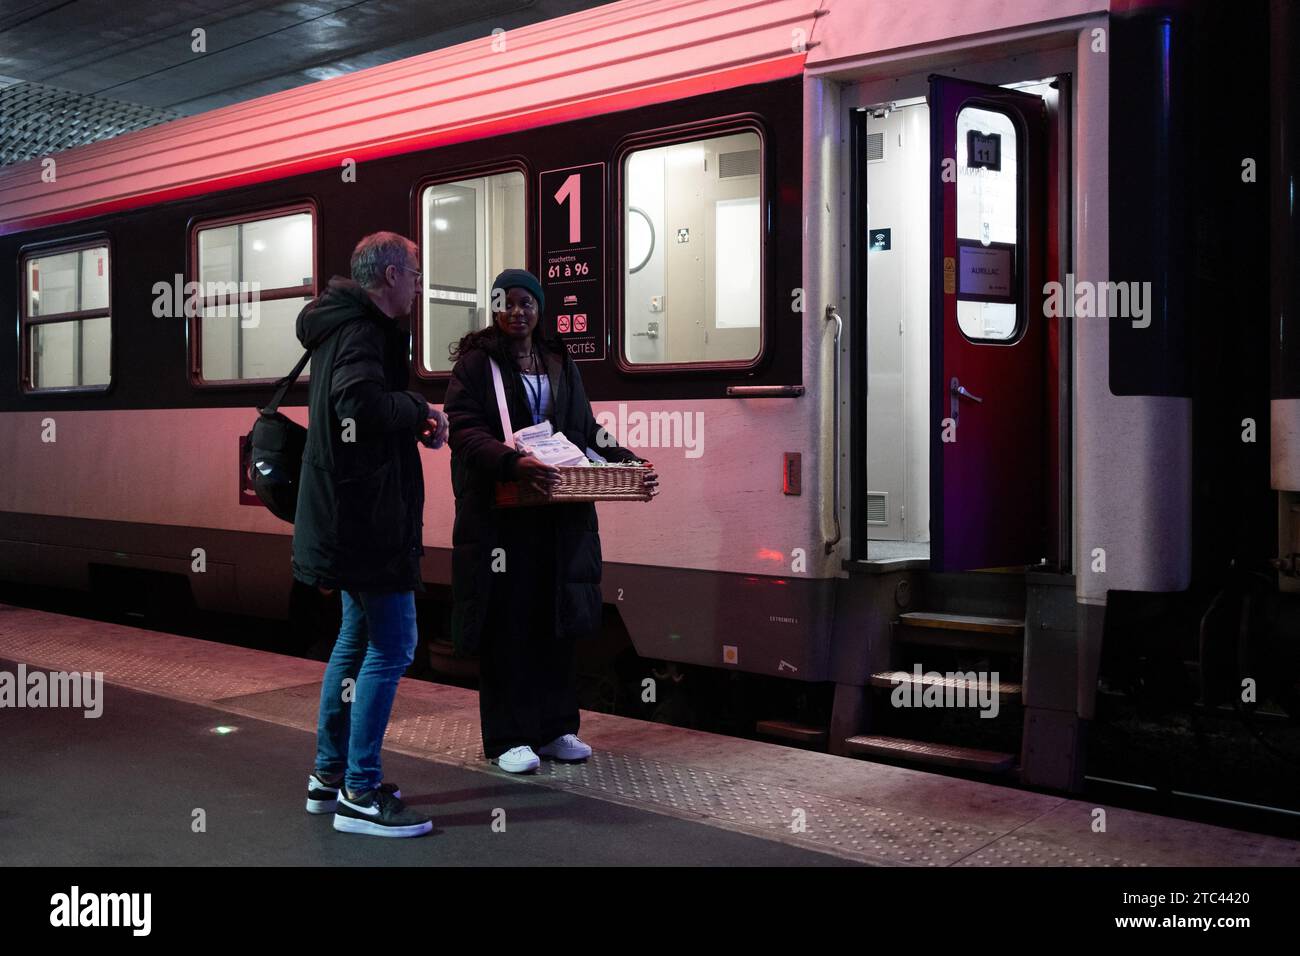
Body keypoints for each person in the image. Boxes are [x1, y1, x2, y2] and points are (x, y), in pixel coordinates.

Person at [444, 268, 657, 773]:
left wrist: (627, 461)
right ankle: (508, 737)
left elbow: (584, 430)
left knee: (557, 621)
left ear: (541, 309)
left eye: (528, 303)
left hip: (560, 516)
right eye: (508, 303)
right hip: (503, 518)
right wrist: (512, 461)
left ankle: (556, 727)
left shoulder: (559, 360)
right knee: (509, 623)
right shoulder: (476, 365)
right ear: (494, 309)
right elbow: (464, 431)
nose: (518, 312)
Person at [292, 231, 449, 837]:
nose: (417, 282)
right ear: (387, 277)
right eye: (412, 272)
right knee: (393, 646)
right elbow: (355, 404)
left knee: (354, 644)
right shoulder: (362, 330)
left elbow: (360, 402)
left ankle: (329, 778)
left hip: (351, 516)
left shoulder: (344, 324)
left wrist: (410, 410)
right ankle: (359, 792)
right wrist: (418, 413)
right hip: (367, 521)